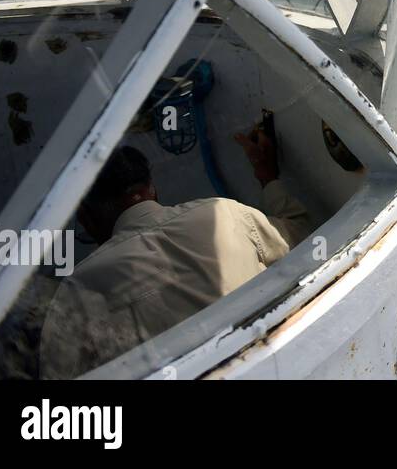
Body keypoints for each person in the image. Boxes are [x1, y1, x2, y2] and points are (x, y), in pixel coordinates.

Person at [39, 127, 309, 378]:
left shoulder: (80, 286)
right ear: (151, 189)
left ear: (86, 217)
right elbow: (303, 236)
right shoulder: (225, 212)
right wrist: (268, 178)